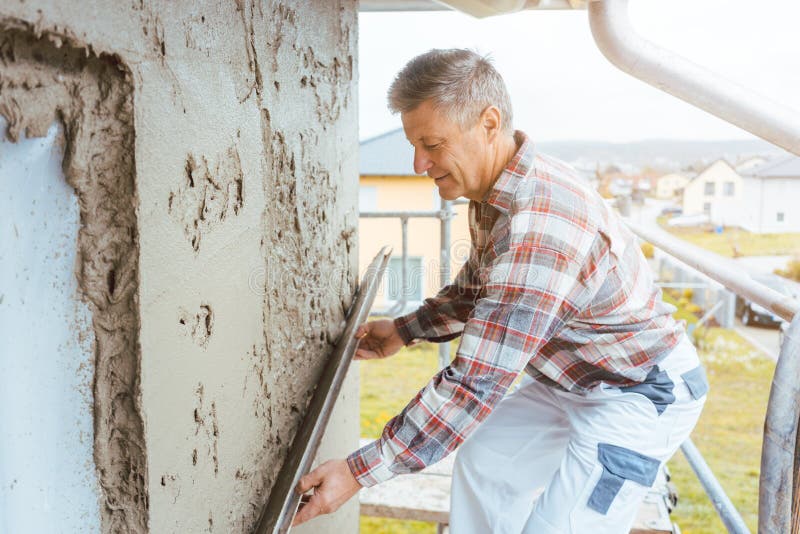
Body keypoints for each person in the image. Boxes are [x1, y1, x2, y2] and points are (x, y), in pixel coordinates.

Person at [292, 48, 707, 533]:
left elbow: (475, 384)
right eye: (414, 144)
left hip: (636, 390)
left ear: (489, 123)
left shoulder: (542, 224)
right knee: (485, 465)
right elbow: (478, 289)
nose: (418, 163)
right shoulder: (498, 192)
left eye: (431, 143)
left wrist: (358, 471)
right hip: (570, 380)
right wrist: (405, 331)